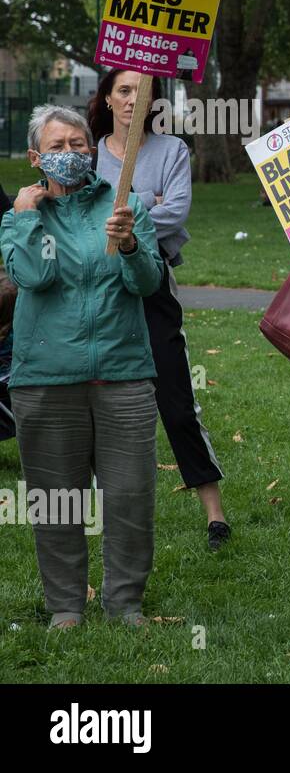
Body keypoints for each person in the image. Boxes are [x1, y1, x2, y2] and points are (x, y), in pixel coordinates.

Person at [1, 105, 163, 628]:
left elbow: (147, 284)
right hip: (46, 379)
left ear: (92, 150)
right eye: (57, 147)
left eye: (78, 144)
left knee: (130, 498)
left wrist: (131, 243)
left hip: (123, 374)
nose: (70, 154)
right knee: (56, 500)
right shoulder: (19, 216)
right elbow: (34, 276)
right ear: (35, 157)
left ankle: (125, 603)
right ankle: (65, 605)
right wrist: (26, 217)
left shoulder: (125, 204)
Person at [89, 68, 230, 550]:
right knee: (97, 398)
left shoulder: (172, 151)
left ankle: (214, 513)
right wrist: (147, 202)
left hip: (153, 282)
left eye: (142, 91)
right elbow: (78, 220)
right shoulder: (86, 154)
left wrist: (123, 213)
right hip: (98, 291)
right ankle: (97, 509)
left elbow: (177, 213)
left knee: (175, 398)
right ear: (108, 97)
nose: (133, 99)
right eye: (123, 90)